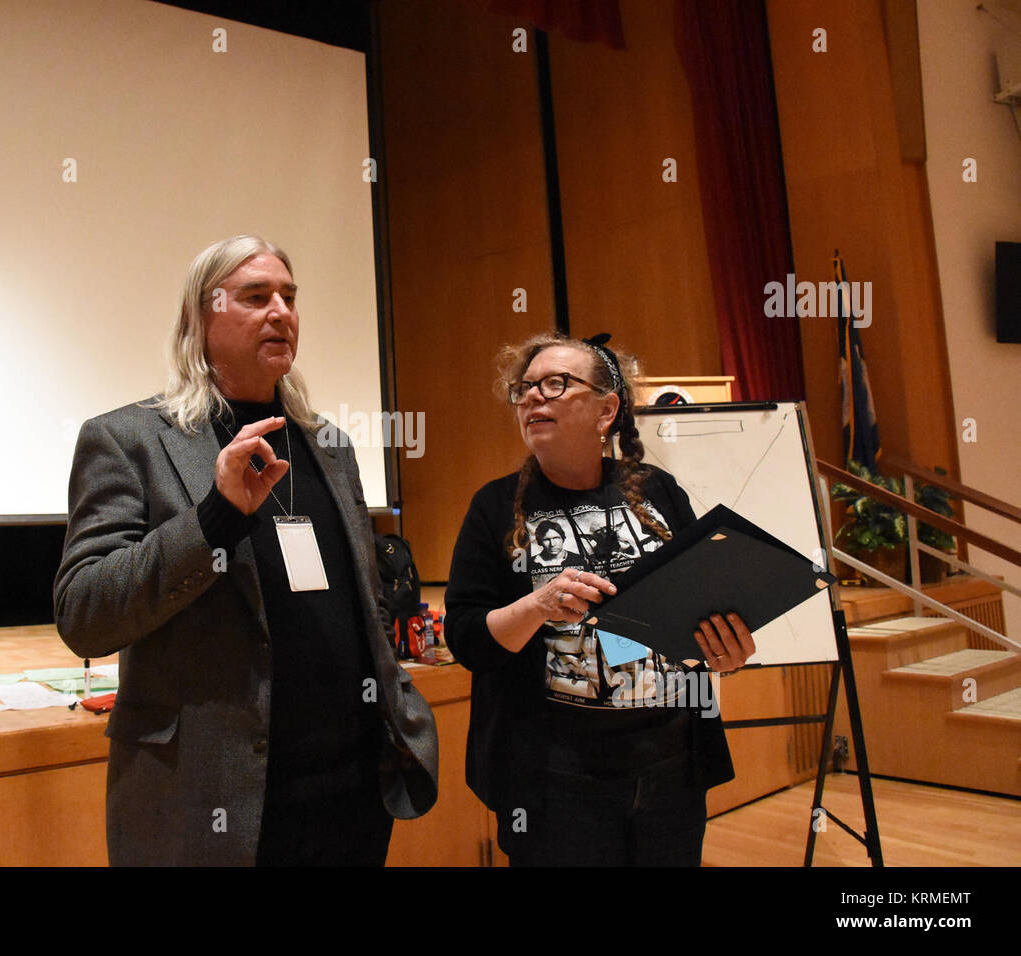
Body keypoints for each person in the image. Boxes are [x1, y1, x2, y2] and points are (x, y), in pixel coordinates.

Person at [53, 235, 438, 866]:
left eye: (289, 297)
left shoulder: (329, 446)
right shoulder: (129, 441)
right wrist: (215, 518)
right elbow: (86, 613)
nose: (281, 311)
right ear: (200, 318)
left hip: (349, 796)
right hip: (216, 798)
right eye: (257, 297)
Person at [444, 331, 754, 866]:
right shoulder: (493, 507)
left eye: (557, 384)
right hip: (555, 778)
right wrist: (537, 606)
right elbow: (467, 638)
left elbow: (698, 607)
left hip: (670, 765)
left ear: (606, 410)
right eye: (526, 388)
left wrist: (724, 649)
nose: (534, 397)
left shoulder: (659, 491)